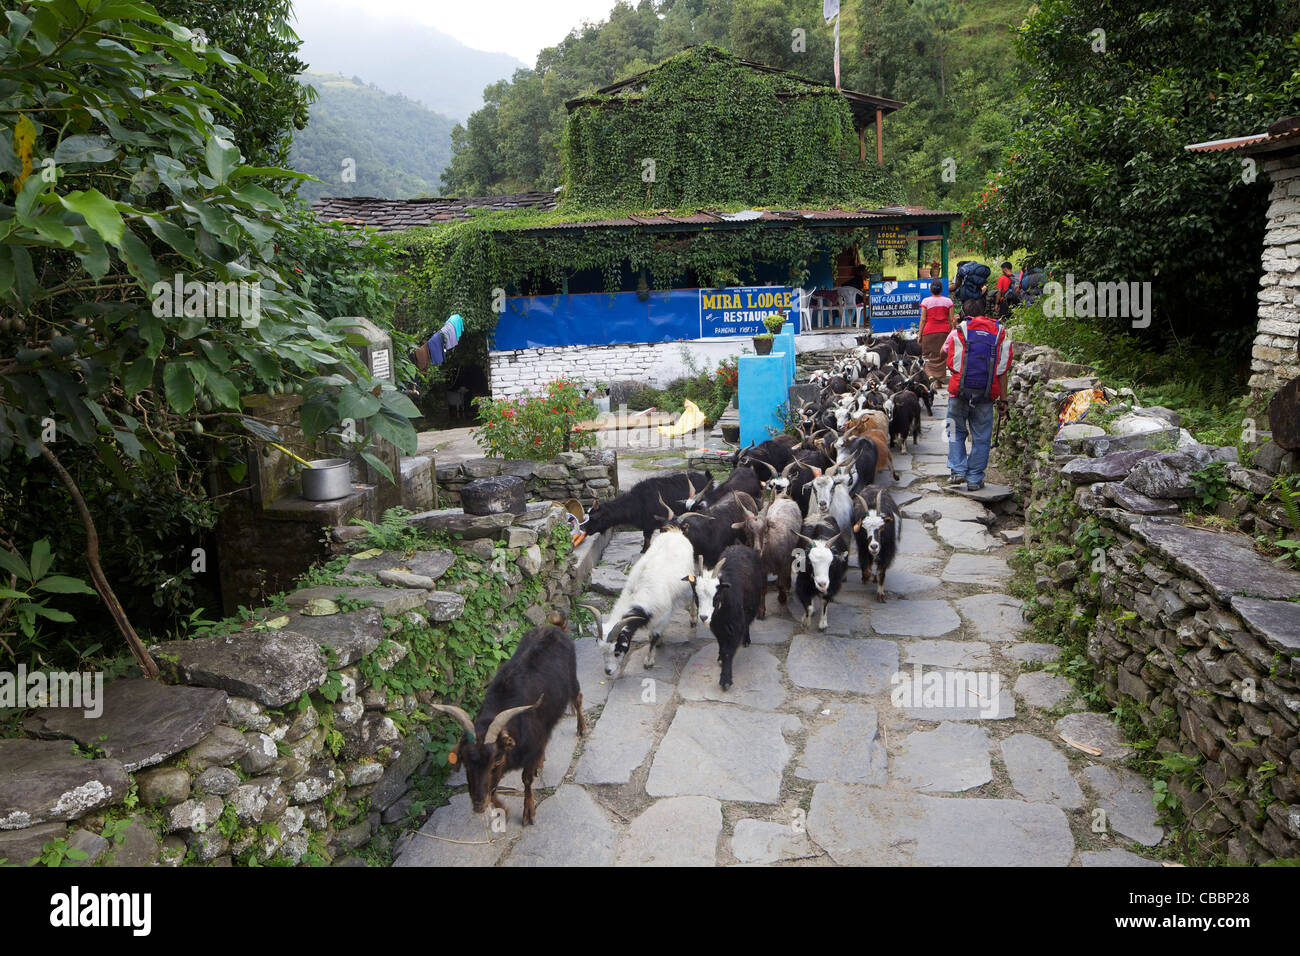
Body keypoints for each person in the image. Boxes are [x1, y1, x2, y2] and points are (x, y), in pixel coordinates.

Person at [945, 297, 1012, 492]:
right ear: (985, 312)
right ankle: (974, 478)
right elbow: (1002, 371)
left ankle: (957, 470)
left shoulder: (960, 332)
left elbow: (951, 364)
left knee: (954, 430)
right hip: (986, 394)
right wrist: (1004, 400)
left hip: (959, 392)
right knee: (981, 437)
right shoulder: (998, 334)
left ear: (965, 313)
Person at [918, 279, 954, 385]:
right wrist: (952, 331)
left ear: (931, 290)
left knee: (928, 356)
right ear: (941, 290)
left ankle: (930, 377)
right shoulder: (948, 301)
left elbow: (923, 319)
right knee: (941, 356)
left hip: (929, 331)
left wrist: (920, 334)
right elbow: (951, 319)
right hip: (944, 332)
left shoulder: (926, 301)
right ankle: (938, 382)